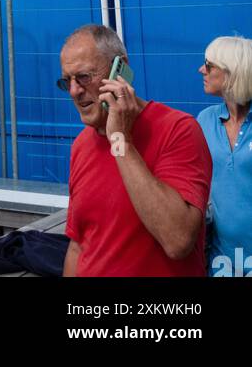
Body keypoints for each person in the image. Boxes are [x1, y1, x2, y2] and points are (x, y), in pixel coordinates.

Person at [60, 24, 212, 277]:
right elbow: (79, 245)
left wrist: (121, 141)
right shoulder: (81, 145)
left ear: (120, 68)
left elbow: (178, 241)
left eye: (84, 77)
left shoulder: (178, 130)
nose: (75, 91)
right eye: (67, 81)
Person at [196, 35, 252, 276]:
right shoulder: (205, 119)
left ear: (232, 71)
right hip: (222, 258)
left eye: (209, 65)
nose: (201, 70)